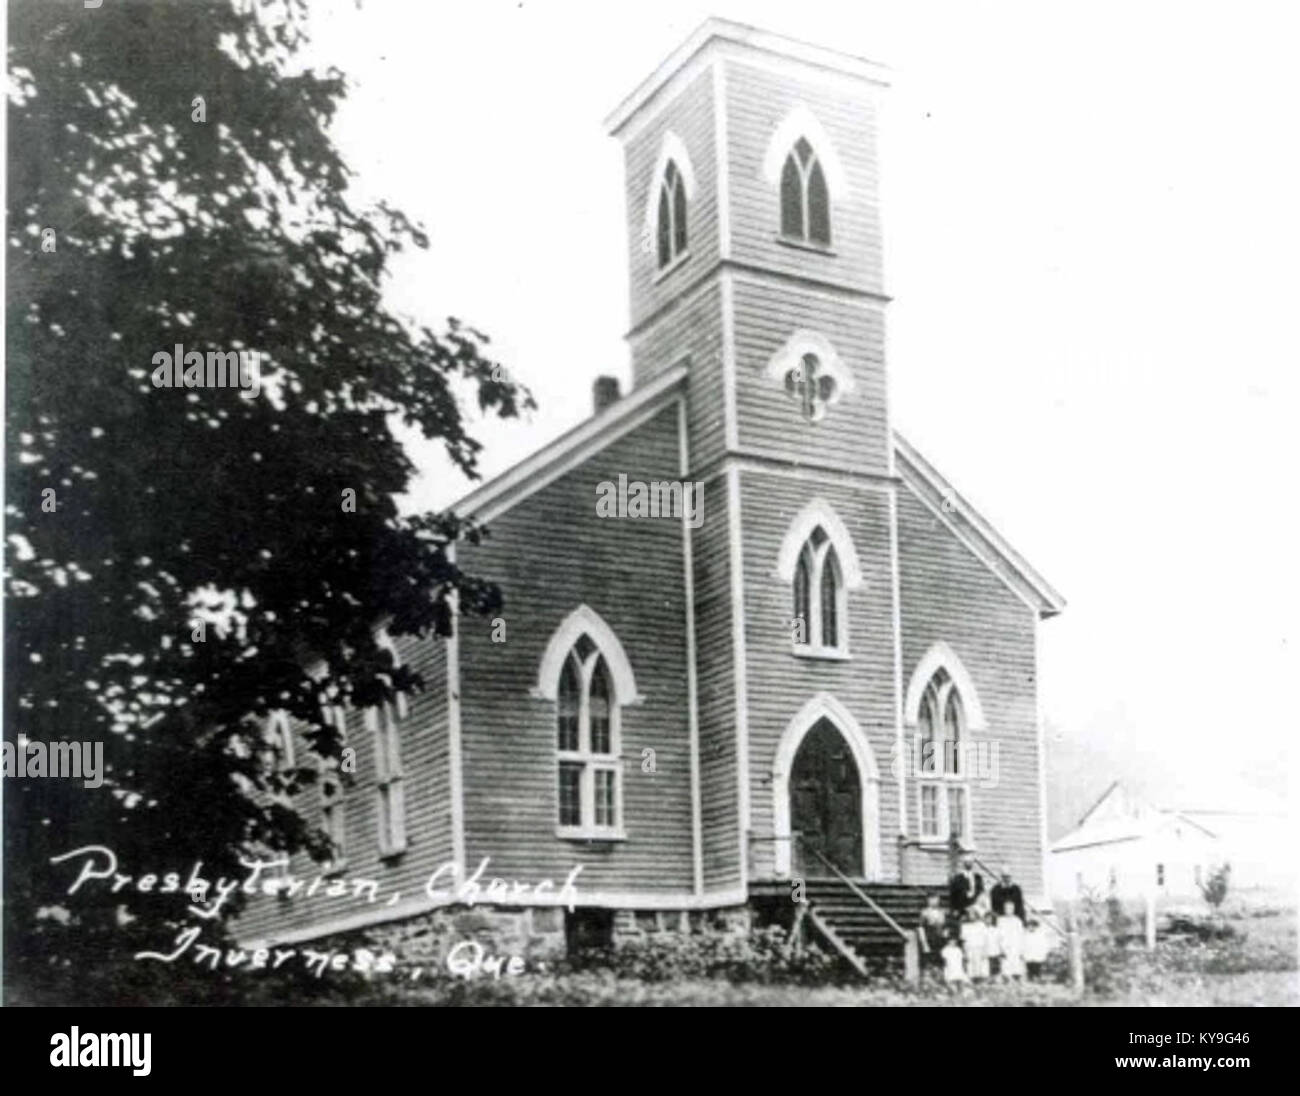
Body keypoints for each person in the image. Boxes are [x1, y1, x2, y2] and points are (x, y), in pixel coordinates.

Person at [948, 854, 984, 920]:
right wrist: (954, 909)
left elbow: (981, 892)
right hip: (962, 908)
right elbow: (953, 896)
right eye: (967, 862)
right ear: (963, 864)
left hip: (976, 908)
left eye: (970, 862)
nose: (969, 864)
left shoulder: (978, 877)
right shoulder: (958, 878)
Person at [996, 901, 1025, 981]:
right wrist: (1000, 946)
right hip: (1005, 943)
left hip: (1015, 943)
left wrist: (1021, 948)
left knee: (1016, 961)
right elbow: (998, 934)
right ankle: (1006, 977)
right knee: (1005, 961)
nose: (1008, 910)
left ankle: (1017, 976)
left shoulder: (1017, 920)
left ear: (1013, 909)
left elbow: (1021, 934)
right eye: (1006, 908)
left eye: (1011, 908)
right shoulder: (1000, 920)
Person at [960, 907, 989, 982]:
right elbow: (963, 940)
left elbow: (985, 938)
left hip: (980, 947)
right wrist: (964, 952)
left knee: (981, 966)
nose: (971, 916)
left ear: (976, 915)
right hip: (969, 948)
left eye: (973, 914)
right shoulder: (964, 926)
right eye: (969, 914)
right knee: (971, 966)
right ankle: (973, 981)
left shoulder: (981, 925)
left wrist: (985, 950)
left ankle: (982, 981)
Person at [919, 893, 946, 963]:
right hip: (930, 939)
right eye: (932, 899)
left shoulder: (942, 911)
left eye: (936, 899)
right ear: (928, 900)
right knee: (929, 960)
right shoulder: (924, 913)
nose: (934, 901)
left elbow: (944, 926)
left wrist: (945, 935)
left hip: (941, 940)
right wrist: (924, 943)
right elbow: (921, 928)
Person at [983, 908, 1002, 979]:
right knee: (988, 964)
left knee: (995, 964)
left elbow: (999, 940)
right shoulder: (983, 929)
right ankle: (989, 977)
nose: (988, 920)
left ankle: (995, 977)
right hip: (987, 949)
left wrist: (1000, 949)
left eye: (990, 919)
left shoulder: (996, 929)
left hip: (995, 949)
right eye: (986, 918)